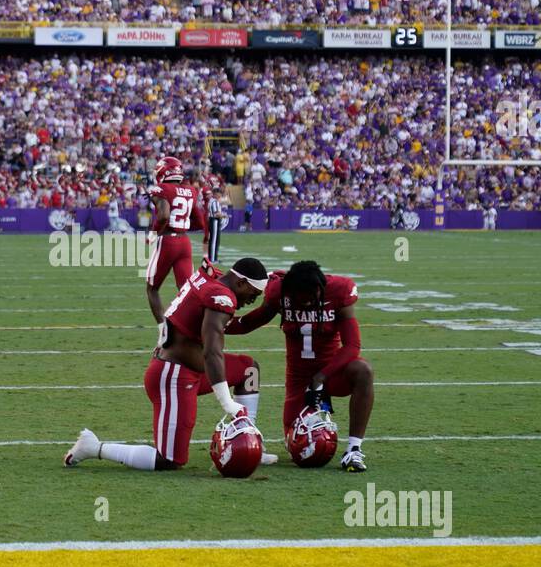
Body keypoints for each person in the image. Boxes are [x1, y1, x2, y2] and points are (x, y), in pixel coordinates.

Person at [65, 257, 275, 472]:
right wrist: (227, 402)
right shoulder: (220, 296)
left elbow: (237, 326)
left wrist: (271, 308)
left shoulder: (214, 284)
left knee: (248, 369)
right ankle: (94, 447)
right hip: (173, 376)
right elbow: (212, 352)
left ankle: (249, 438)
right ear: (240, 283)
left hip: (190, 371)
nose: (252, 301)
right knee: (169, 460)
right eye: (253, 295)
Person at [227, 259, 374, 471]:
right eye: (300, 299)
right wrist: (214, 323)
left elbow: (352, 346)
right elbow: (250, 323)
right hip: (298, 378)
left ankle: (354, 450)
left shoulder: (338, 292)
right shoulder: (279, 292)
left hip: (331, 371)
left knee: (363, 371)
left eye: (311, 299)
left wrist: (322, 376)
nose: (306, 304)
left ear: (320, 289)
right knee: (299, 449)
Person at [144, 155, 205, 322]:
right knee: (186, 290)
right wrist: (181, 227)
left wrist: (153, 233)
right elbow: (200, 222)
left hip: (167, 241)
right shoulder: (191, 191)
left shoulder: (162, 189)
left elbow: (163, 216)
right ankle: (193, 326)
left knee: (152, 288)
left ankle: (164, 331)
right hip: (184, 242)